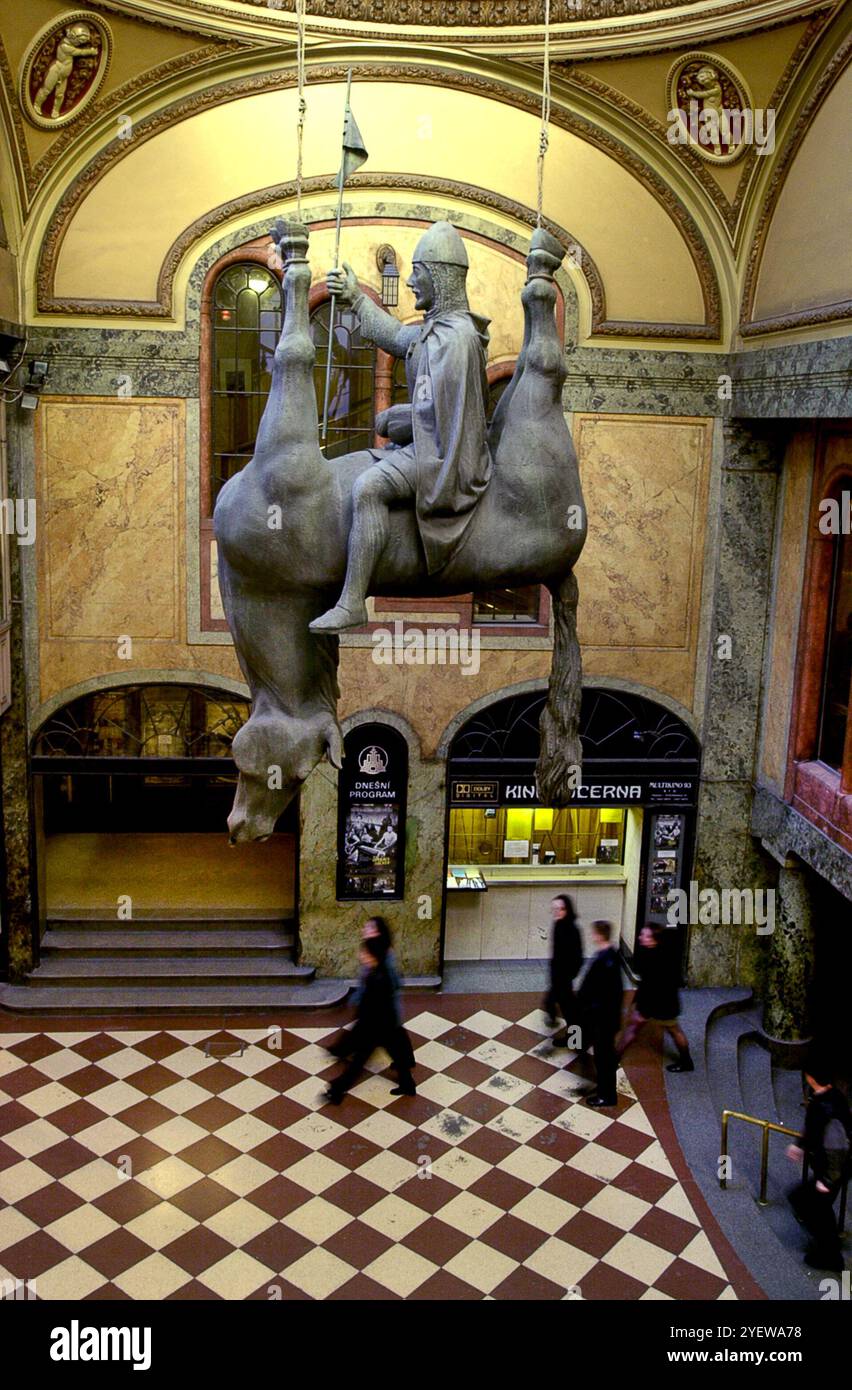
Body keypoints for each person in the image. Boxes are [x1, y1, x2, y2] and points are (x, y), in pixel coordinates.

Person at [307, 221, 492, 634]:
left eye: (419, 273)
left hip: (446, 457)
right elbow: (396, 337)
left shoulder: (456, 339)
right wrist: (355, 298)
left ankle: (353, 601)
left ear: (440, 278)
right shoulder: (437, 330)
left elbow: (448, 419)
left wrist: (399, 420)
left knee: (369, 488)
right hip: (430, 443)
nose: (410, 282)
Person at [324, 931, 416, 1104]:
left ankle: (337, 1091)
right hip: (386, 1026)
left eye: (365, 953)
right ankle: (408, 1085)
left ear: (373, 956)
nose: (361, 955)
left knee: (358, 1064)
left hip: (376, 1027)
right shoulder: (381, 973)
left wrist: (361, 1026)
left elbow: (372, 1006)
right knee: (395, 1056)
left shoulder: (376, 978)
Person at [786, 1060, 851, 1272]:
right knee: (809, 1204)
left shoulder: (827, 1108)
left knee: (812, 1206)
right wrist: (800, 1145)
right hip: (829, 1168)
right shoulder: (826, 1098)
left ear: (811, 1077)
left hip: (832, 1171)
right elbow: (812, 1126)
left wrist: (828, 1180)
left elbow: (837, 1149)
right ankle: (827, 1245)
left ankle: (831, 1257)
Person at [617, 923, 694, 1073]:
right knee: (673, 1030)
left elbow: (651, 986)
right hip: (663, 1003)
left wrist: (639, 1006)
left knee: (636, 1029)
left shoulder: (658, 960)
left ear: (654, 940)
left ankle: (686, 1061)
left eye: (644, 936)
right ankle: (686, 1061)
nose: (640, 937)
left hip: (660, 1004)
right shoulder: (656, 953)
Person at [576, 919, 624, 1108]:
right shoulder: (610, 955)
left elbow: (602, 993)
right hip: (606, 1018)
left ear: (598, 935)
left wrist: (588, 1007)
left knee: (604, 1058)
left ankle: (607, 1096)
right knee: (604, 1056)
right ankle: (604, 1089)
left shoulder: (605, 961)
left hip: (602, 1019)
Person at [542, 894, 583, 1047]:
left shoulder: (572, 929)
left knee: (570, 1011)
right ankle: (553, 1017)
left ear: (567, 909)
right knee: (551, 1001)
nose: (557, 912)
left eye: (561, 909)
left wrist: (568, 975)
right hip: (558, 975)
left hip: (564, 977)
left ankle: (576, 1041)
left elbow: (577, 958)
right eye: (555, 909)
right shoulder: (559, 925)